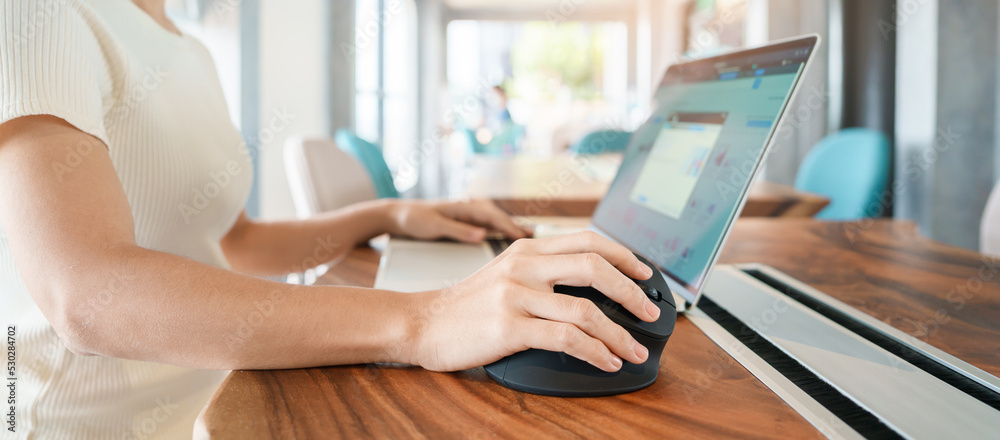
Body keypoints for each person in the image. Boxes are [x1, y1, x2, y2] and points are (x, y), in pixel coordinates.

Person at [0, 1, 658, 437]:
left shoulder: (187, 48)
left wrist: (392, 212)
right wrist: (422, 320)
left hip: (219, 406)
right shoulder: (42, 14)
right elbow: (85, 296)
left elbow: (238, 241)